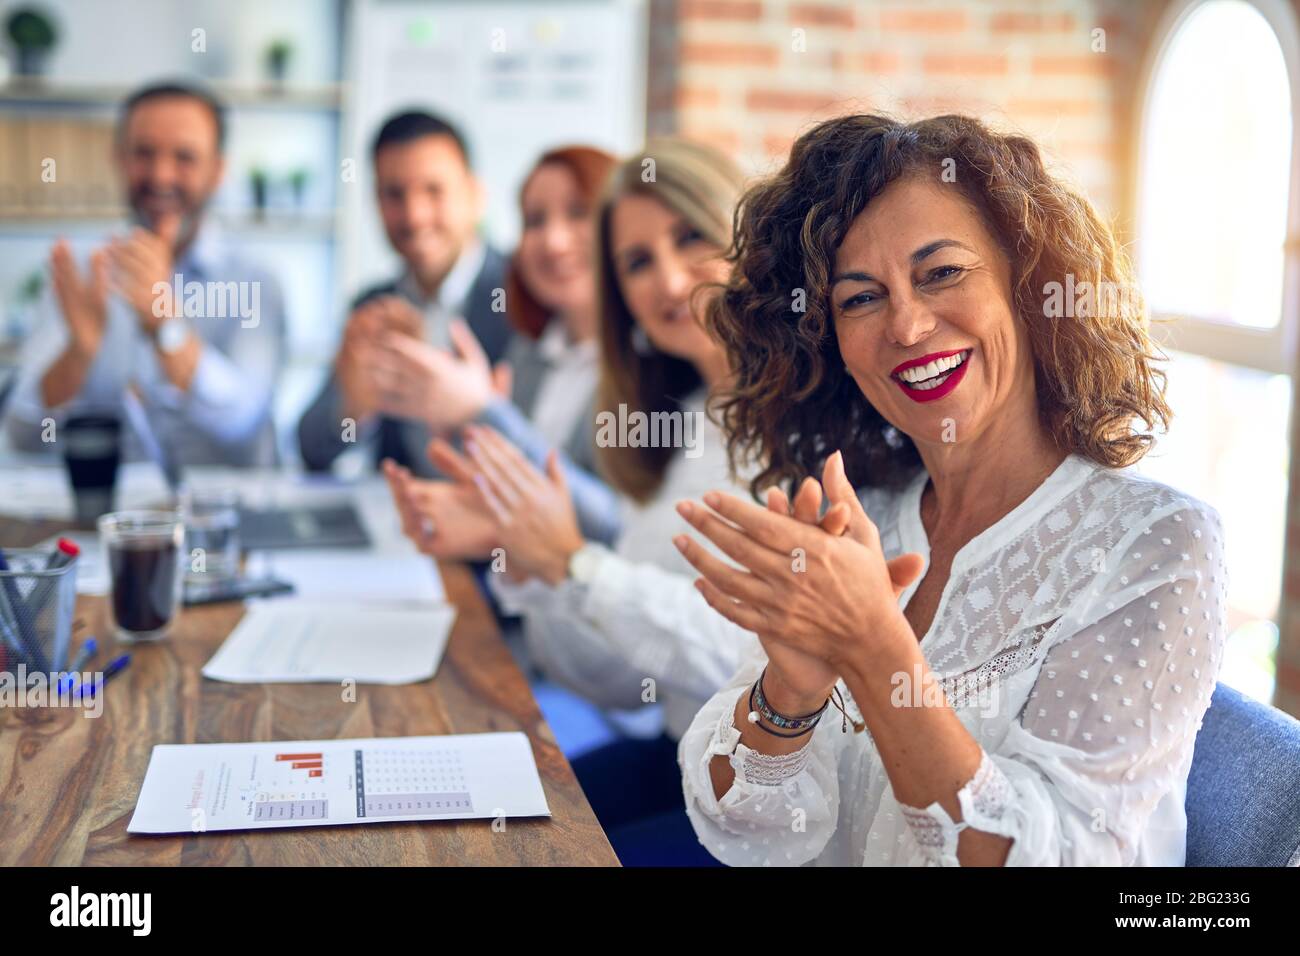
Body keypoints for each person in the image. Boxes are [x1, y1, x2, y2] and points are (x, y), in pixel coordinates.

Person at [672, 113, 1227, 866]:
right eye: (860, 298)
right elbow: (743, 822)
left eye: (941, 273)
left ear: (1030, 287)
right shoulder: (860, 516)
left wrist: (874, 649)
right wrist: (790, 691)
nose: (907, 324)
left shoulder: (1157, 542)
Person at [404, 140, 754, 865]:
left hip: (774, 802)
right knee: (479, 834)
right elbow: (623, 681)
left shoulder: (807, 419)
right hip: (684, 754)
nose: (668, 277)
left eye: (690, 237)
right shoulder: (682, 423)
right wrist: (535, 565)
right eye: (636, 262)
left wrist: (573, 565)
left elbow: (753, 659)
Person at [3, 82, 286, 466]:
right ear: (119, 159)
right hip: (109, 518)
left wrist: (166, 326)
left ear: (218, 170)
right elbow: (24, 437)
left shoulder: (255, 280)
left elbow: (245, 426)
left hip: (220, 517)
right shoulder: (82, 276)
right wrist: (78, 354)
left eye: (184, 157)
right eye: (144, 153)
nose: (161, 176)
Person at [383, 146, 622, 553]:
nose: (553, 241)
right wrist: (453, 434)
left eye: (578, 212)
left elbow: (614, 525)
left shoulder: (646, 368)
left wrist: (483, 411)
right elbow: (499, 508)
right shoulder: (530, 353)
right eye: (534, 220)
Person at [296, 110, 511, 475]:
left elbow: (536, 450)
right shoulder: (372, 306)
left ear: (475, 196)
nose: (414, 215)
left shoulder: (519, 296)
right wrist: (353, 405)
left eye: (434, 190)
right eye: (394, 194)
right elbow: (311, 449)